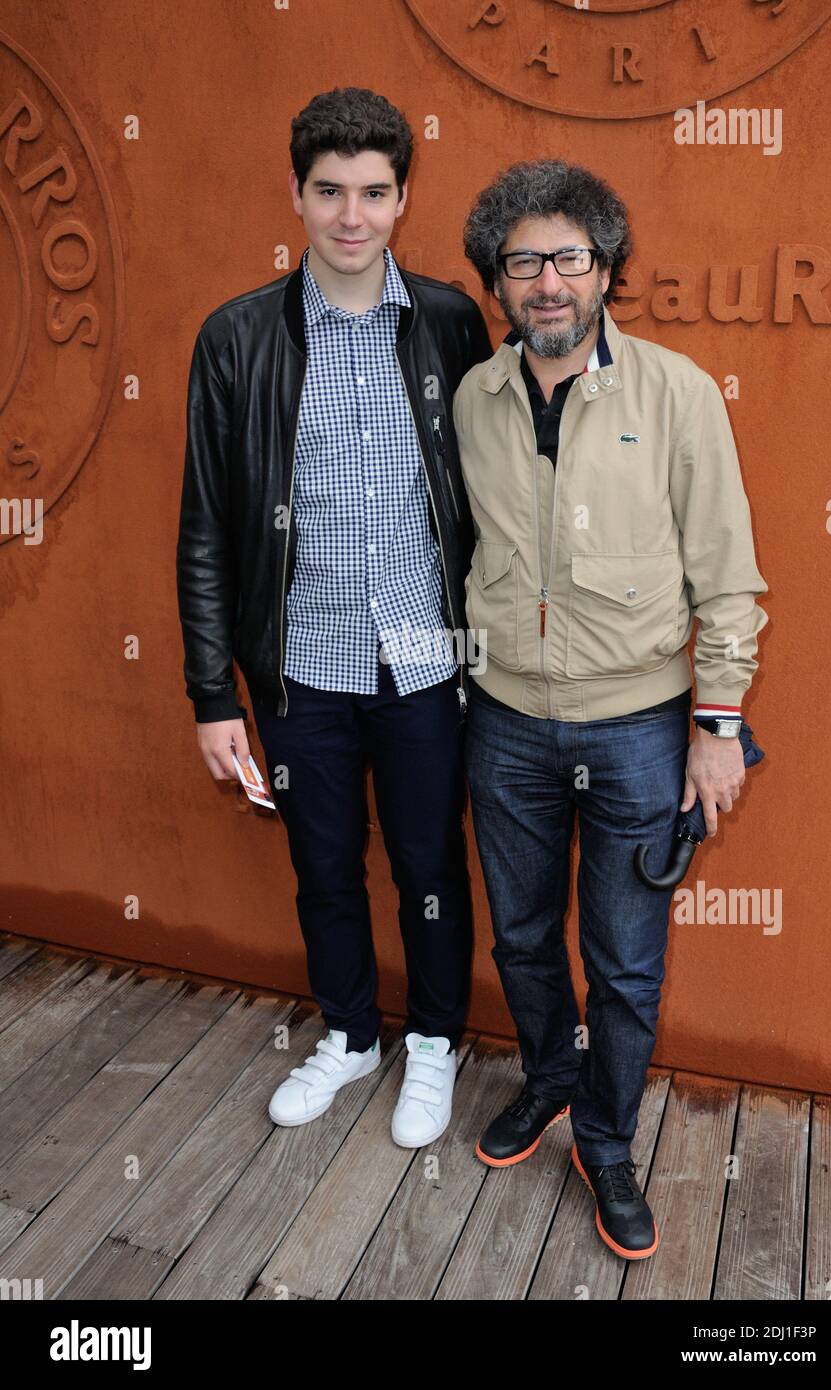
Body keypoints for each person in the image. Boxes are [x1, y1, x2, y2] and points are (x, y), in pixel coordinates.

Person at [453, 159, 768, 1258]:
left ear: (605, 272)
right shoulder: (472, 399)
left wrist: (716, 722)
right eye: (522, 261)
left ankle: (606, 1137)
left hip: (639, 725)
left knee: (626, 963)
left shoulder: (677, 393)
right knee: (525, 933)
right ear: (497, 282)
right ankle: (547, 1076)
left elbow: (727, 574)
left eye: (569, 258)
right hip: (500, 723)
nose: (547, 281)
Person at [176, 88, 491, 1148]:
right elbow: (208, 528)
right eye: (328, 192)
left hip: (422, 655)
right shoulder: (235, 338)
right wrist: (214, 692)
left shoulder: (448, 320)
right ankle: (353, 1034)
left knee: (427, 864)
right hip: (299, 663)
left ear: (403, 197)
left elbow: (485, 498)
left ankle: (434, 1041)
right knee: (321, 865)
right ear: (297, 194)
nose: (350, 215)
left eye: (372, 192)